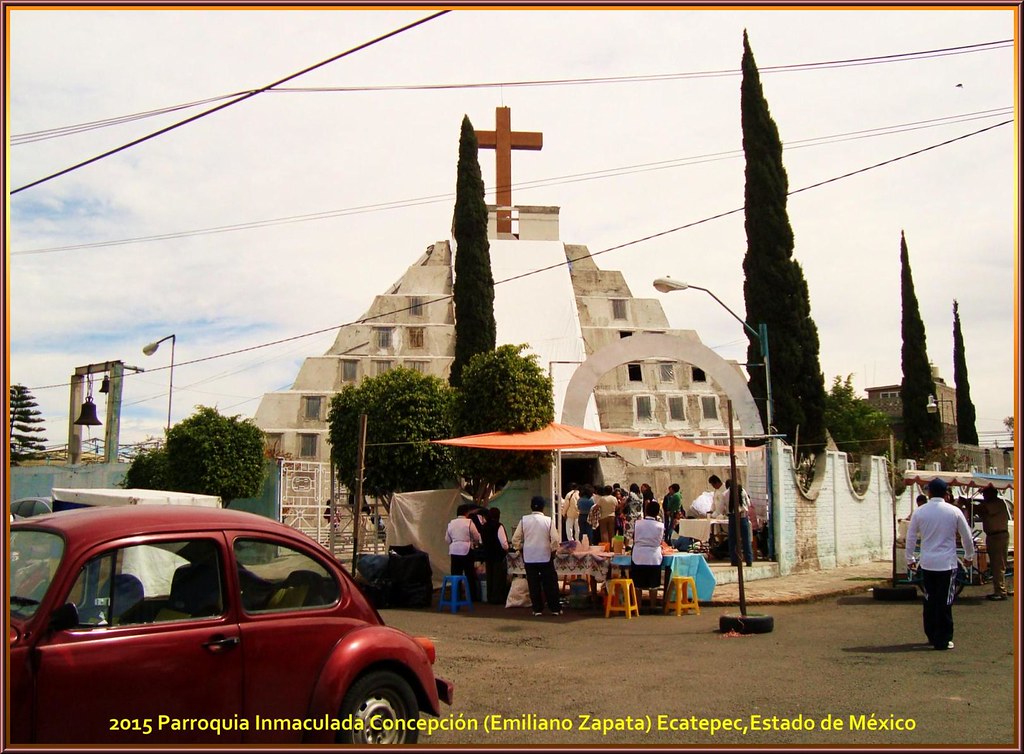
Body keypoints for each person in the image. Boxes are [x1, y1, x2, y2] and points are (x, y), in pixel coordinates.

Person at [904, 478, 975, 650]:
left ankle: (931, 634)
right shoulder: (954, 512)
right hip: (947, 564)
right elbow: (966, 536)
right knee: (945, 600)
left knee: (930, 599)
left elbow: (911, 537)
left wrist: (910, 559)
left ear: (928, 493)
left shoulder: (920, 512)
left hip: (927, 563)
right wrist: (969, 556)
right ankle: (943, 639)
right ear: (946, 494)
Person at [511, 496, 562, 616]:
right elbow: (555, 539)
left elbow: (515, 538)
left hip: (529, 556)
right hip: (545, 555)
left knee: (533, 583)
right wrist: (553, 550)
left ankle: (537, 609)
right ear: (543, 507)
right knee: (549, 582)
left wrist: (519, 548)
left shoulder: (524, 520)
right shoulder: (548, 520)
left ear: (531, 506)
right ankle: (554, 608)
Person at [976, 485, 1010, 601]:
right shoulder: (989, 504)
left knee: (998, 564)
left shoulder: (997, 503)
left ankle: (1001, 591)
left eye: (985, 494)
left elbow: (982, 509)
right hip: (992, 536)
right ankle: (999, 589)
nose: (984, 496)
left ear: (991, 494)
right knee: (996, 564)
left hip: (998, 536)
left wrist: (967, 503)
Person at [630, 501, 665, 611]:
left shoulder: (638, 523)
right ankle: (653, 606)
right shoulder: (660, 526)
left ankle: (638, 606)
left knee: (638, 583)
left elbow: (633, 537)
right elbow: (660, 541)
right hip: (654, 556)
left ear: (646, 511)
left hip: (638, 555)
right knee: (654, 584)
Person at [445, 504, 482, 602]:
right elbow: (476, 536)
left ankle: (456, 596)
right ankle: (472, 597)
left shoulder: (451, 523)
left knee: (455, 574)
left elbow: (447, 539)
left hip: (454, 550)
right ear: (466, 513)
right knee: (469, 574)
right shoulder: (469, 522)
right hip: (466, 549)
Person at [481, 507, 510, 605]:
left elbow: (481, 541)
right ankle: (498, 597)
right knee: (498, 576)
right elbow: (504, 543)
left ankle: (490, 596)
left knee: (490, 575)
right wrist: (507, 549)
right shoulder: (499, 526)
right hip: (498, 555)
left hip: (488, 554)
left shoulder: (484, 526)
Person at [724, 479, 753, 567]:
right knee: (745, 540)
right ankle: (749, 560)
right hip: (743, 516)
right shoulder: (742, 491)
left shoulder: (725, 494)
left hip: (732, 517)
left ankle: (734, 560)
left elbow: (722, 507)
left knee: (732, 540)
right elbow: (748, 503)